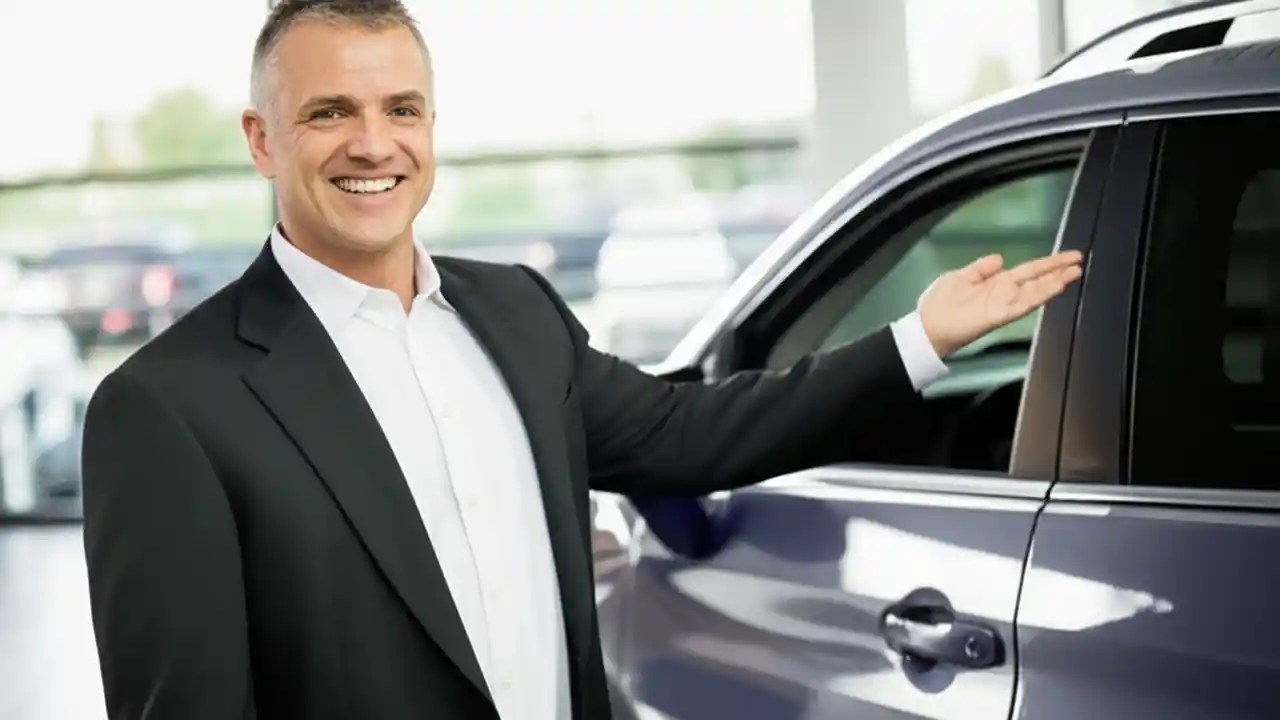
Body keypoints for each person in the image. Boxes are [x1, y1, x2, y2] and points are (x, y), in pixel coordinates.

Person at [79, 1, 1083, 719]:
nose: (371, 144)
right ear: (262, 140)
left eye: (401, 109)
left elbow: (691, 433)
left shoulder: (513, 311)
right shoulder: (168, 407)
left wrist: (920, 337)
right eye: (328, 113)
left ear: (430, 125)